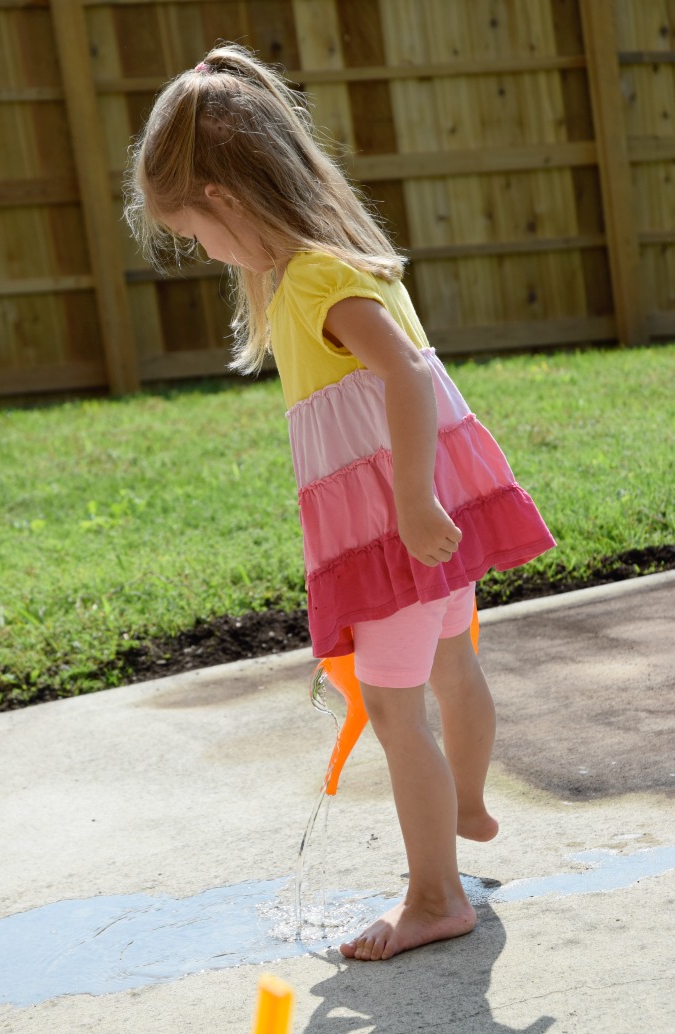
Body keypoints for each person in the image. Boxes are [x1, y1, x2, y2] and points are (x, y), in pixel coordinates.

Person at [125, 43, 555, 962]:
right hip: (435, 519)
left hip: (400, 531)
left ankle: (436, 896)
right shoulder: (344, 265)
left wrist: (405, 504)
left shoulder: (317, 278)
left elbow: (402, 377)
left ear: (228, 202)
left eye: (194, 232)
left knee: (399, 715)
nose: (200, 250)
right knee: (454, 673)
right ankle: (468, 806)